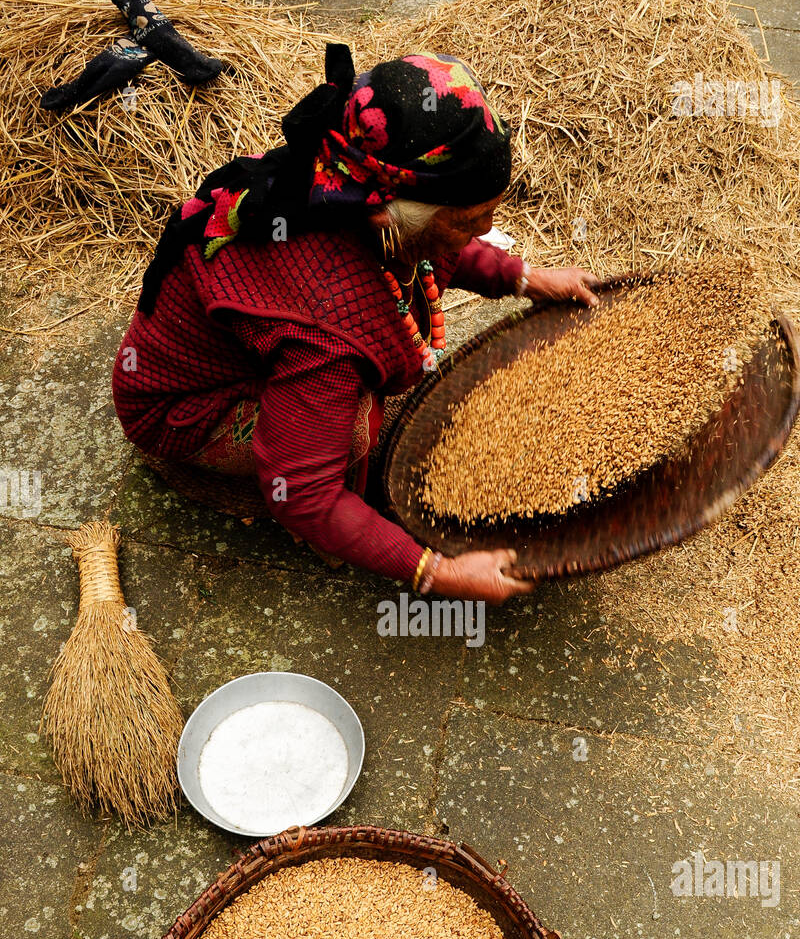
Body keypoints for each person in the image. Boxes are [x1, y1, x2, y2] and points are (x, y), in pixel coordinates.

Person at [112, 44, 598, 603]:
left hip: (269, 340)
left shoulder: (347, 178)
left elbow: (432, 247)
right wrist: (437, 572)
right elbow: (302, 492)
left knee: (358, 379)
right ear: (389, 213)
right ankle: (265, 497)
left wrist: (522, 277)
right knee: (353, 425)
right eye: (471, 219)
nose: (488, 227)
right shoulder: (326, 324)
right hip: (180, 409)